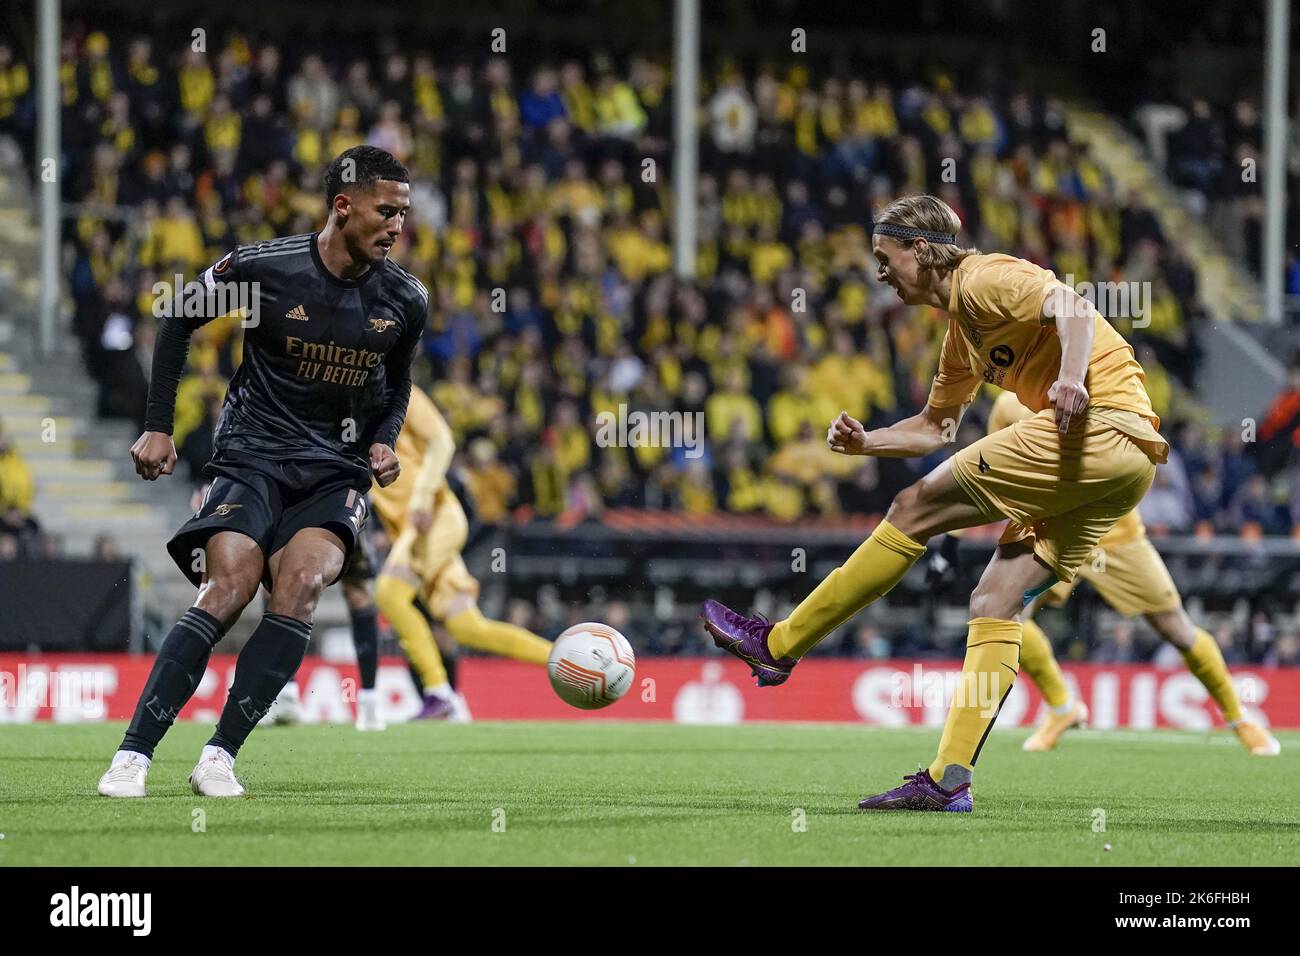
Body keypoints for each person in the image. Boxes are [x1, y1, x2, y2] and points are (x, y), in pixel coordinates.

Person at [702, 193, 1170, 812]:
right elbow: (935, 427)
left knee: (912, 508)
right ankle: (949, 780)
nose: (879, 272)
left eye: (884, 255)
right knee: (995, 599)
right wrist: (868, 441)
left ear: (920, 250)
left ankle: (779, 645)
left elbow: (1074, 308)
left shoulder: (984, 278)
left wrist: (1071, 379)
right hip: (1129, 463)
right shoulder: (962, 335)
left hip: (1096, 428)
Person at [98, 146, 427, 798]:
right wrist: (159, 425)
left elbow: (399, 383)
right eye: (387, 212)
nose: (397, 227)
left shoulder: (405, 298)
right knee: (229, 586)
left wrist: (386, 442)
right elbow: (179, 317)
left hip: (335, 472)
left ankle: (220, 754)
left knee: (302, 582)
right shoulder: (263, 267)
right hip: (253, 456)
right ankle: (133, 755)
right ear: (343, 206)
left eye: (404, 215)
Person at [973, 391, 1278, 756]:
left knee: (1175, 627)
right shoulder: (1009, 405)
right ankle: (1062, 707)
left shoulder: (1102, 384)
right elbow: (993, 470)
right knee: (1006, 613)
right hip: (1050, 528)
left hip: (1113, 532)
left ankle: (1239, 718)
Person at [371, 386, 552, 718]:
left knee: (389, 593)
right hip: (413, 532)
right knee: (467, 627)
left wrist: (424, 497)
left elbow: (443, 440)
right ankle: (562, 658)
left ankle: (439, 691)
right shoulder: (345, 409)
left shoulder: (397, 391)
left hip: (435, 517)